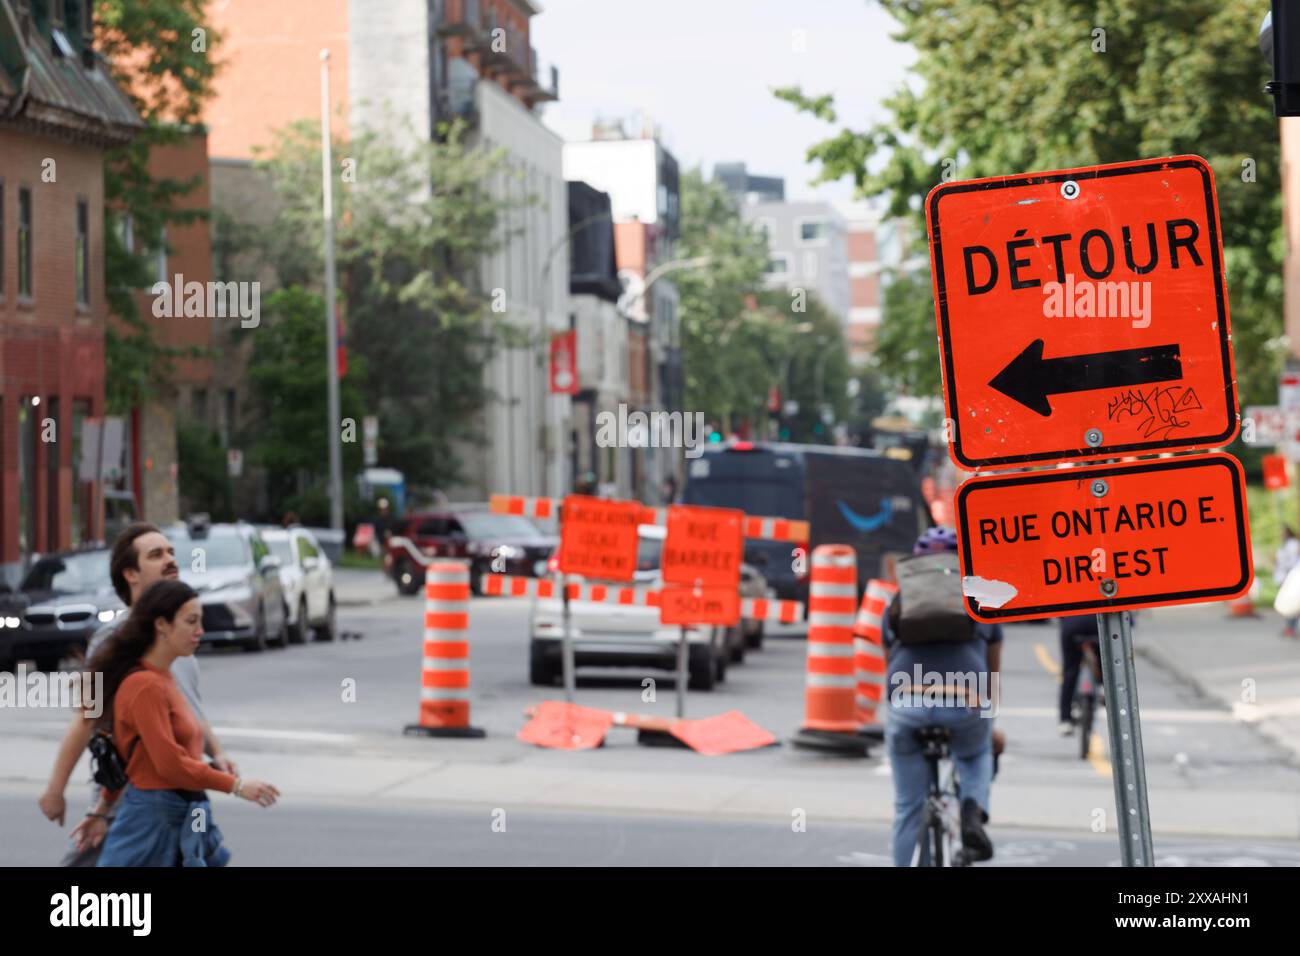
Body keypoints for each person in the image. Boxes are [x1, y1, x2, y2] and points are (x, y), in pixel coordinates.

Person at [38, 523, 236, 865]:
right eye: (156, 555)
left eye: (171, 552)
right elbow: (86, 719)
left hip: (179, 799)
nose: (170, 560)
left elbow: (190, 707)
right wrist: (56, 790)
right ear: (130, 574)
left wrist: (216, 752)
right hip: (128, 801)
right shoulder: (113, 641)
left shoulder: (180, 633)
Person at [87, 579, 279, 866]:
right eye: (191, 622)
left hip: (188, 811)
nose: (200, 631)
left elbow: (135, 760)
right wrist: (237, 786)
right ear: (161, 624)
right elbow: (169, 765)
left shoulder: (163, 678)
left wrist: (102, 809)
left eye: (200, 621)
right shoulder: (144, 686)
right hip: (154, 819)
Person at [884, 526, 1001, 866]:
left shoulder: (898, 601)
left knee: (908, 807)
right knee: (978, 752)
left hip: (908, 703)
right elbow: (993, 672)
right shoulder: (981, 598)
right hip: (965, 703)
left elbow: (887, 664)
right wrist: (990, 721)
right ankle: (972, 810)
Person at [1057, 614, 1100, 734]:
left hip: (1072, 626)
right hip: (1096, 625)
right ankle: (1102, 687)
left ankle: (1065, 720)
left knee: (1070, 672)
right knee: (1105, 662)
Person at [1274, 527, 1300, 637]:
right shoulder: (1285, 546)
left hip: (1293, 578)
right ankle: (1290, 627)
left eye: (1283, 533)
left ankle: (1290, 628)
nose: (1282, 535)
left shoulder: (1293, 544)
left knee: (1294, 603)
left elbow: (1291, 562)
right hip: (1287, 577)